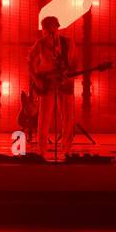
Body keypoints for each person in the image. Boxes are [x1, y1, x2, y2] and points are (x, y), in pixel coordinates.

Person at [27, 16, 79, 160]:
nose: (50, 32)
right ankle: (42, 151)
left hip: (65, 82)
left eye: (52, 29)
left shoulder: (68, 43)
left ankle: (66, 150)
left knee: (68, 117)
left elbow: (74, 63)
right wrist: (36, 79)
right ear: (43, 30)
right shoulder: (40, 44)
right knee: (44, 117)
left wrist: (70, 75)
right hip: (47, 83)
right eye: (47, 30)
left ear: (57, 27)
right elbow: (30, 62)